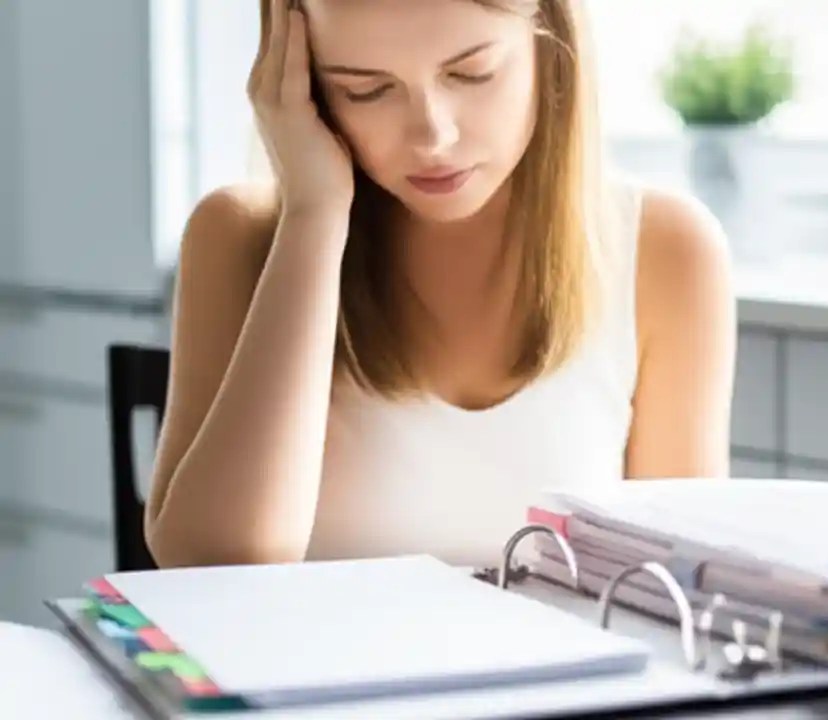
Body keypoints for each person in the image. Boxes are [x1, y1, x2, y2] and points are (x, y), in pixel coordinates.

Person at [143, 0, 736, 569]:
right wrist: (314, 216)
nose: (432, 136)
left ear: (549, 46)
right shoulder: (238, 237)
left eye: (471, 73)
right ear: (299, 81)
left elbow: (680, 588)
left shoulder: (667, 249)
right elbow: (213, 568)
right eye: (365, 89)